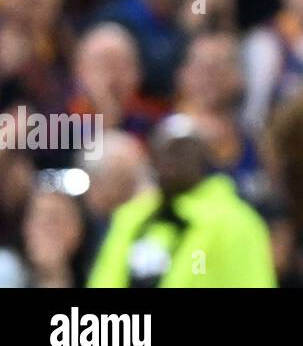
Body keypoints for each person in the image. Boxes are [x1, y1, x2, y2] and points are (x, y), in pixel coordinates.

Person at [87, 114, 276, 287]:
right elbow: (106, 278)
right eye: (164, 153)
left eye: (182, 153)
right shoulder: (132, 216)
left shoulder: (237, 222)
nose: (171, 163)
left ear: (204, 160)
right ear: (152, 160)